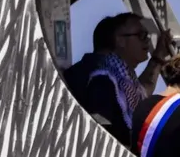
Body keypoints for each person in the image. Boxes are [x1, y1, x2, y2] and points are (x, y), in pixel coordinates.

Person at [68, 13, 170, 145]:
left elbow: (142, 89)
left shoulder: (117, 76)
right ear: (119, 40)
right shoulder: (102, 77)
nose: (147, 41)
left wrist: (158, 56)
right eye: (141, 35)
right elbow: (101, 132)